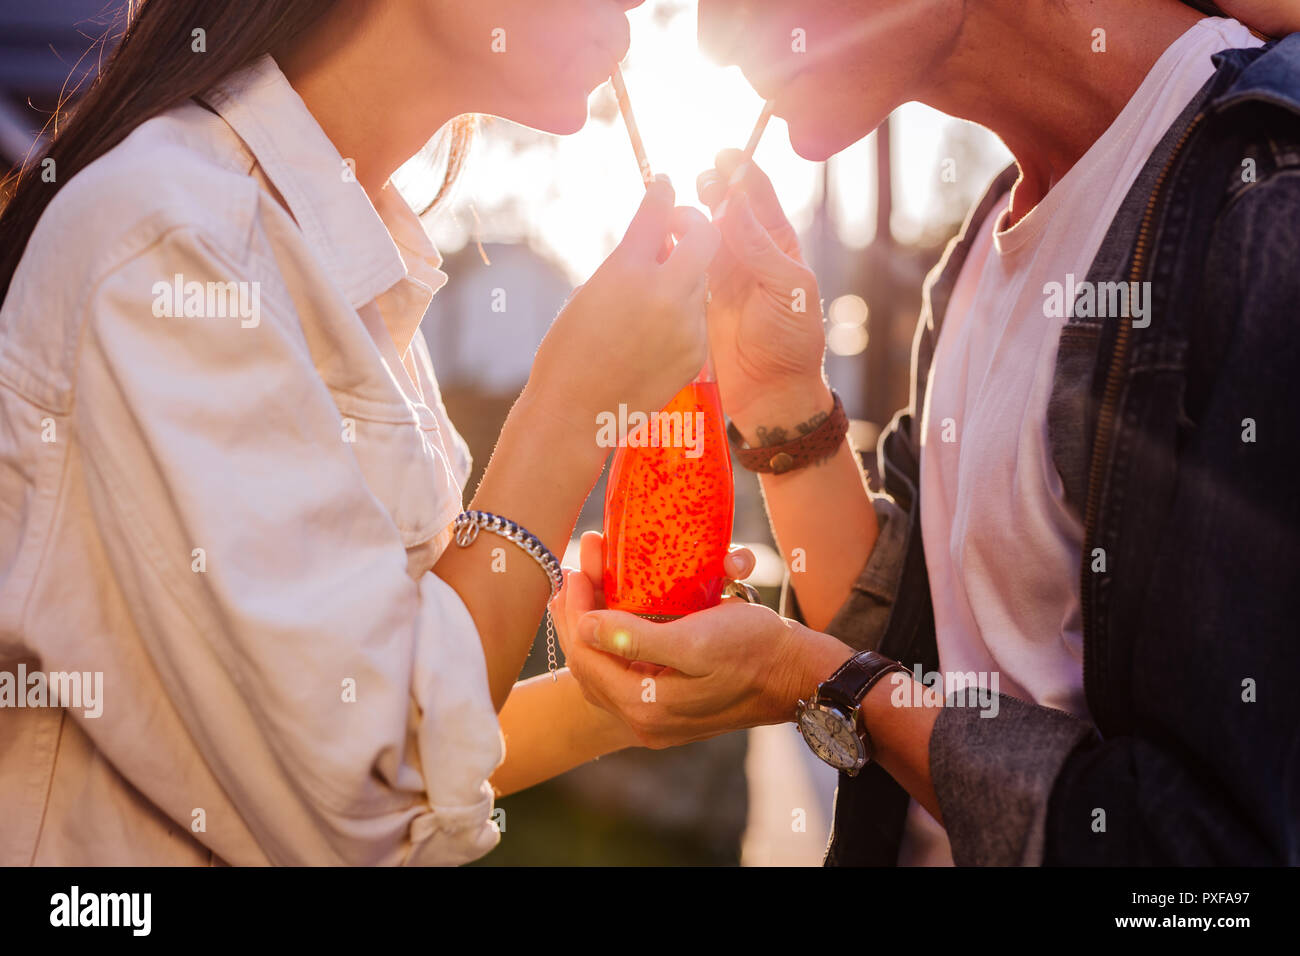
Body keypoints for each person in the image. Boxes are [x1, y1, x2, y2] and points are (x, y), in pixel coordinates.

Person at [0, 0, 752, 866]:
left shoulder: (337, 258)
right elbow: (358, 801)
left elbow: (381, 717)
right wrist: (569, 414)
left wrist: (631, 689)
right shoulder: (175, 244)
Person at [555, 0, 1300, 864]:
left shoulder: (1267, 202)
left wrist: (807, 676)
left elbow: (1203, 863)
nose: (712, 39)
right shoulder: (986, 241)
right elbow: (921, 665)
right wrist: (779, 395)